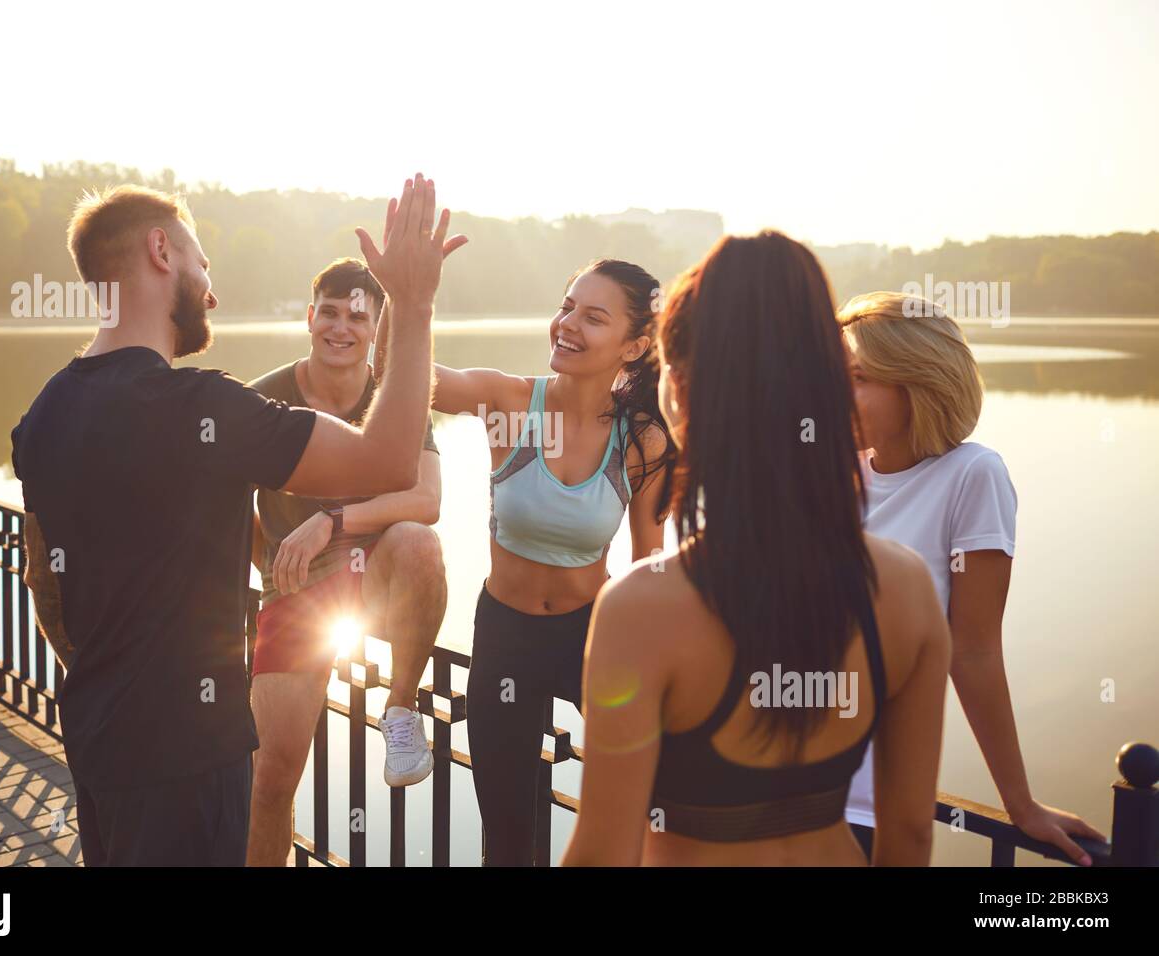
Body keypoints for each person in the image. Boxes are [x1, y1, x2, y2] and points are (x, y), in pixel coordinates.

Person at [12, 174, 459, 865]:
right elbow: (392, 460)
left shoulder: (43, 415)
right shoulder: (202, 408)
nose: (211, 291)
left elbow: (43, 580)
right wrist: (415, 302)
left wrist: (105, 681)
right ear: (161, 250)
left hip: (98, 740)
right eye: (203, 263)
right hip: (191, 758)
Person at [562, 231, 952, 866]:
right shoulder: (907, 589)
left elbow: (603, 854)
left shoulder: (641, 608)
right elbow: (909, 836)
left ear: (682, 391)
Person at [374, 257, 674, 866]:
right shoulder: (507, 400)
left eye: (593, 317)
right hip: (507, 636)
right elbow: (395, 373)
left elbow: (651, 563)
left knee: (650, 807)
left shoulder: (641, 437)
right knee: (508, 836)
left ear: (635, 345)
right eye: (567, 307)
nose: (568, 324)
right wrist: (404, 295)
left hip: (596, 636)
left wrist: (667, 669)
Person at [838, 291, 1106, 865]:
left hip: (868, 807)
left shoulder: (972, 476)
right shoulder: (833, 475)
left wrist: (1021, 804)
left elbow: (975, 650)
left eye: (857, 377)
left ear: (916, 383)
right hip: (770, 792)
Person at [245, 257, 448, 867]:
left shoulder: (399, 397)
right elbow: (223, 502)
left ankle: (402, 707)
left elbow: (428, 499)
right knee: (269, 781)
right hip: (299, 595)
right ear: (310, 319)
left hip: (380, 579)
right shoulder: (264, 399)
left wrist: (330, 519)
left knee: (418, 540)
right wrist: (269, 564)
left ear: (377, 328)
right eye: (329, 313)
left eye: (357, 316)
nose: (342, 327)